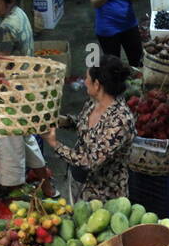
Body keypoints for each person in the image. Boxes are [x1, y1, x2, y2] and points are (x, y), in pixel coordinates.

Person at [0, 0, 50, 192]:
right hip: (24, 90)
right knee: (27, 141)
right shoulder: (18, 14)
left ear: (10, 1)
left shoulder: (5, 28)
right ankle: (48, 186)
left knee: (9, 149)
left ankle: (15, 195)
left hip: (8, 97)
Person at [43, 54, 137, 202]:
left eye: (87, 78)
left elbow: (90, 162)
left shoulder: (120, 121)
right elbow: (85, 126)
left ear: (97, 84)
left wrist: (54, 144)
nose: (84, 82)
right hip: (78, 183)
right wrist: (61, 121)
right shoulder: (94, 103)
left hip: (103, 196)